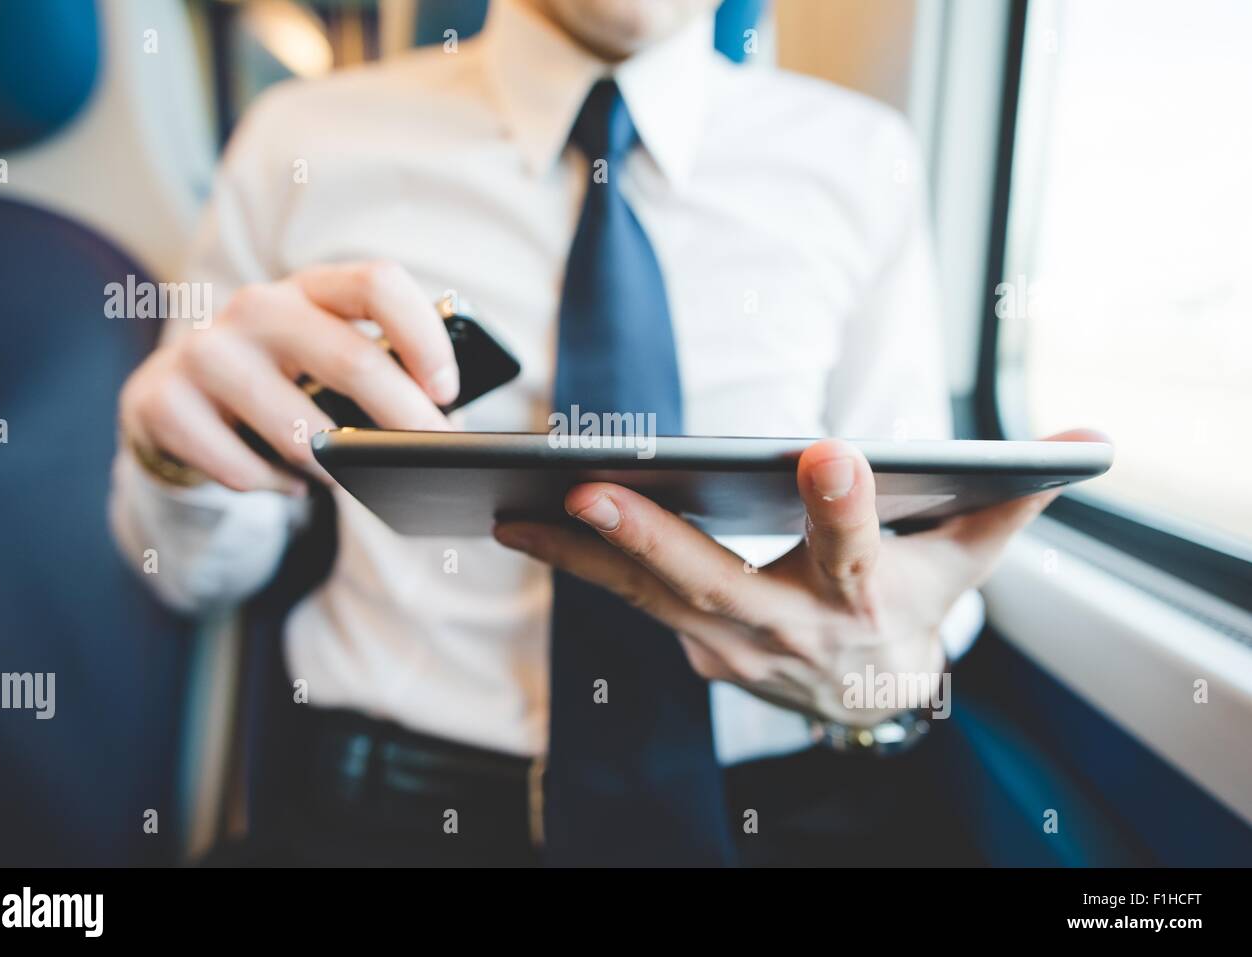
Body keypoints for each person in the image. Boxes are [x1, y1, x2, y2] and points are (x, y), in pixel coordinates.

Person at [111, 0, 1096, 866]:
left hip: (784, 813)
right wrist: (176, 463)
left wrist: (890, 690)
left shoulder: (859, 155)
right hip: (385, 814)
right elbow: (194, 578)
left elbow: (899, 545)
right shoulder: (300, 139)